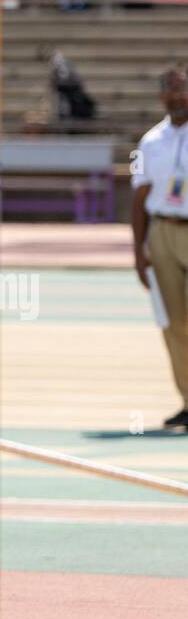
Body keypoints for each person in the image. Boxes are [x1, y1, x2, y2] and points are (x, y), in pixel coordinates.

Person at [132, 64, 188, 430]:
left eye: (183, 89)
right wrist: (138, 249)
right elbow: (139, 194)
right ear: (161, 95)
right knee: (174, 323)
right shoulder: (149, 142)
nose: (178, 95)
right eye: (171, 89)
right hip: (163, 233)